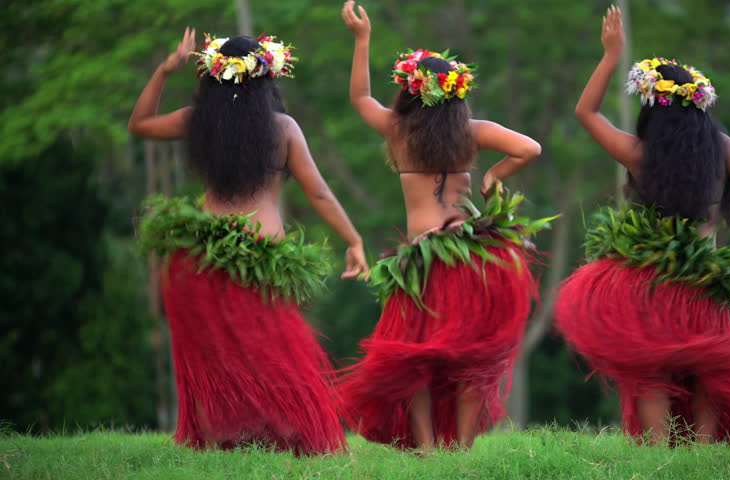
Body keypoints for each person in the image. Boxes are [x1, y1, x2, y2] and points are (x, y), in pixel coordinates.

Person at [555, 7, 730, 448]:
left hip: (653, 280)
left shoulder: (640, 154)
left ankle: (658, 455)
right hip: (704, 280)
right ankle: (700, 454)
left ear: (652, 111)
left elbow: (587, 113)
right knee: (706, 369)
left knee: (652, 371)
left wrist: (611, 56)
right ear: (699, 107)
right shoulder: (722, 148)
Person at [129, 28, 369, 454]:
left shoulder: (197, 121)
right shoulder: (282, 129)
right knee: (273, 356)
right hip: (261, 258)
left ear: (212, 78)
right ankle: (281, 440)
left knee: (218, 358)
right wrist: (353, 239)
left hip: (200, 256)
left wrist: (165, 70)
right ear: (265, 79)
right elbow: (318, 193)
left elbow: (140, 124)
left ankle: (228, 441)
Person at [337, 1, 553, 451]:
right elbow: (529, 148)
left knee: (412, 357)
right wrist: (495, 175)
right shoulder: (471, 131)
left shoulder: (398, 131)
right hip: (469, 255)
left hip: (422, 261)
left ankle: (427, 446)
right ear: (456, 96)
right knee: (468, 357)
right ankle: (463, 448)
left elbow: (359, 99)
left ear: (409, 93)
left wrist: (362, 40)